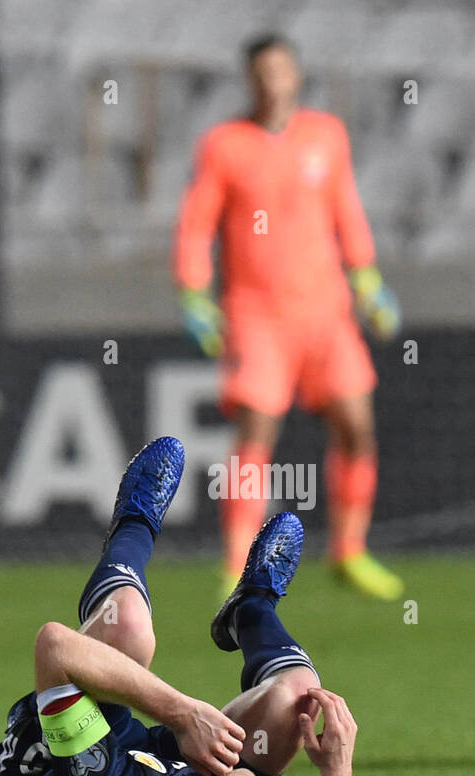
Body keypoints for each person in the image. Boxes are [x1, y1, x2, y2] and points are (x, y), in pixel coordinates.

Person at [0, 437, 357, 776]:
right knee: (298, 697)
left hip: (51, 774)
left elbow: (55, 649)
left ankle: (133, 523)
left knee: (128, 632)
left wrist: (182, 713)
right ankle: (251, 607)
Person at [175, 33, 404, 602]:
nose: (272, 80)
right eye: (261, 72)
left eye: (280, 69)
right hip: (257, 314)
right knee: (256, 430)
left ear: (296, 75)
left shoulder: (325, 135)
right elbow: (197, 222)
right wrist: (194, 294)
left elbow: (345, 209)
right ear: (249, 79)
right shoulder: (226, 144)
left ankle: (349, 550)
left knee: (357, 426)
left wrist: (367, 278)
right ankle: (236, 565)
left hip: (326, 312)